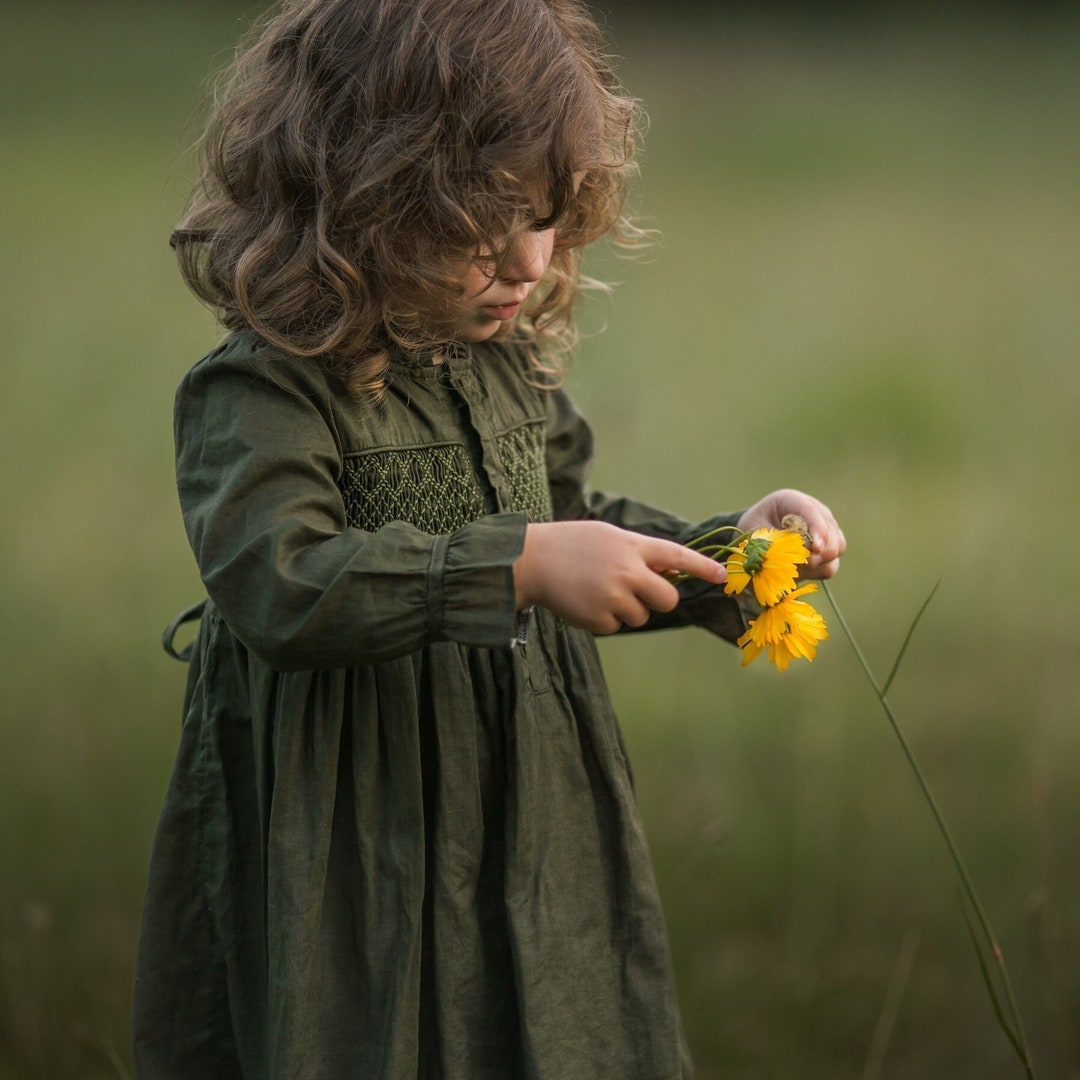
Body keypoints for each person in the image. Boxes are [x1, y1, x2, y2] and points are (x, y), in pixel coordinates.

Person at [133, 0, 846, 1076]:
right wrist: (512, 567)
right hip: (347, 822)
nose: (527, 259)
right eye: (483, 223)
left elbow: (573, 532)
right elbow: (278, 583)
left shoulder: (502, 366)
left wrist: (737, 557)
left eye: (549, 215)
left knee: (547, 1023)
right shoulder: (263, 389)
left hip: (525, 802)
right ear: (364, 198)